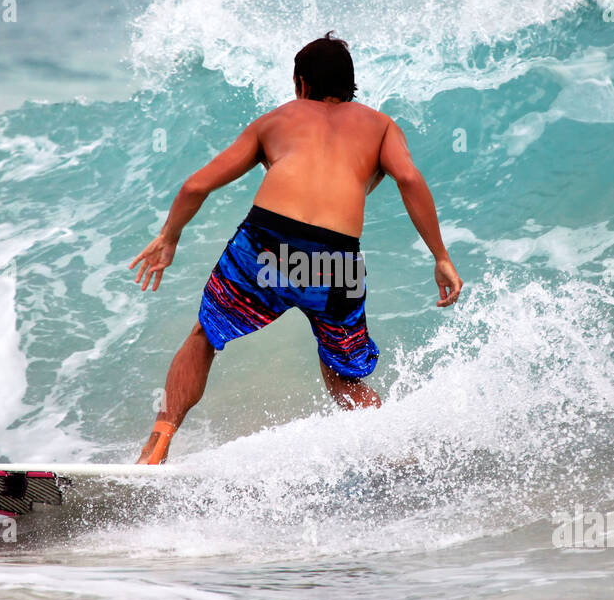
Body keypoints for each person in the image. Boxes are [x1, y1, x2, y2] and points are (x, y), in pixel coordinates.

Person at [129, 32, 462, 464]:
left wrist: (169, 237)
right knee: (342, 378)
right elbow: (411, 180)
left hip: (268, 244)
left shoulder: (275, 120)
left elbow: (196, 184)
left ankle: (157, 446)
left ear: (301, 82)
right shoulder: (380, 126)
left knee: (204, 336)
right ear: (349, 85)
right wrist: (441, 256)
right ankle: (403, 458)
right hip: (335, 261)